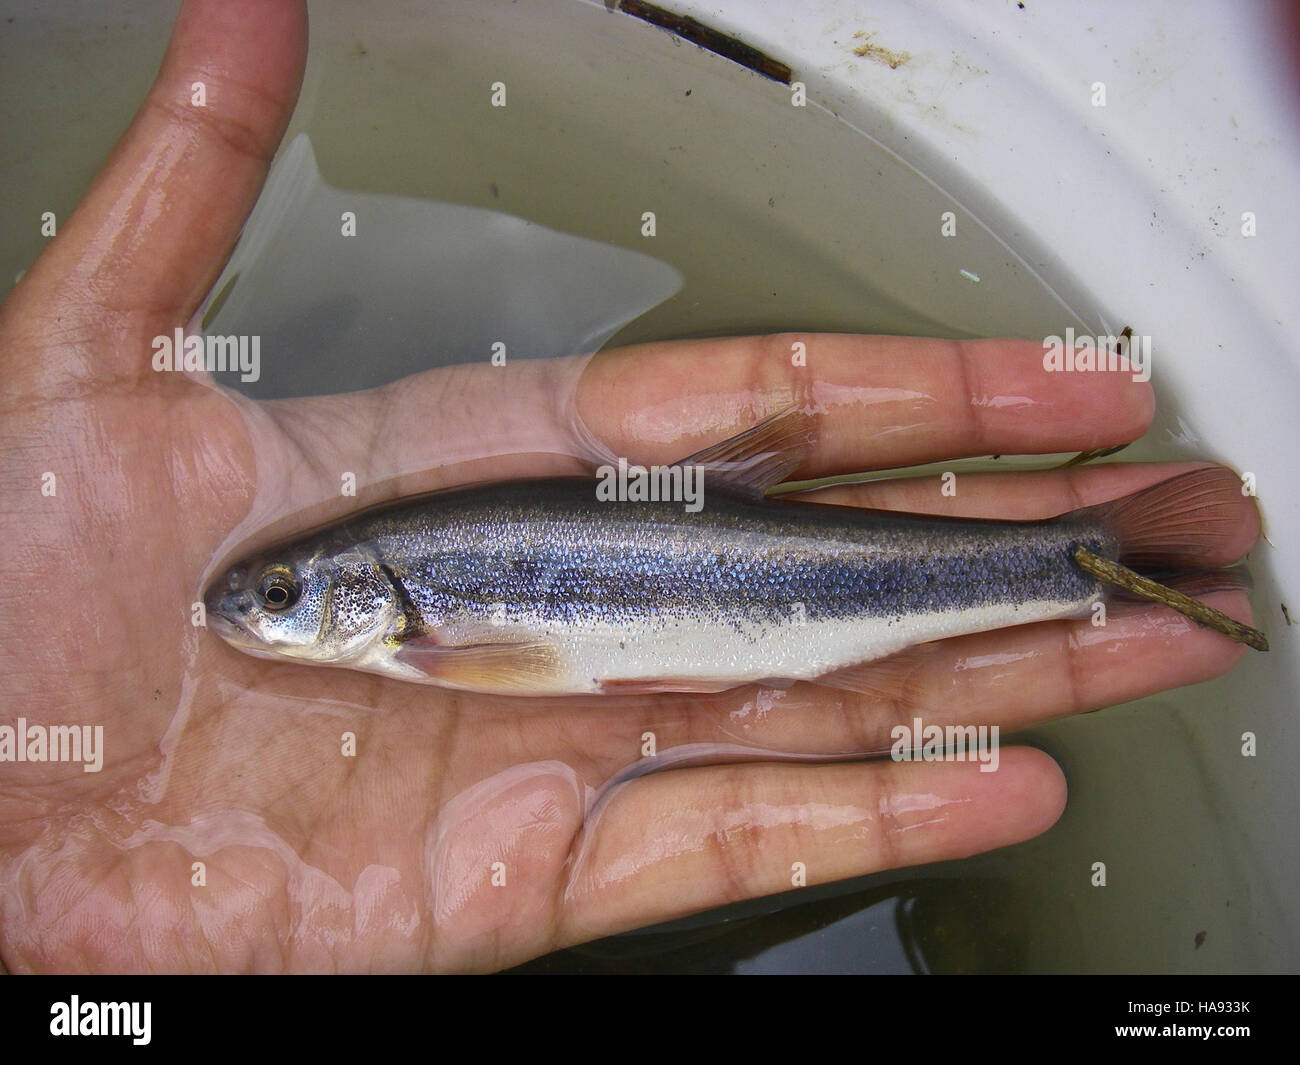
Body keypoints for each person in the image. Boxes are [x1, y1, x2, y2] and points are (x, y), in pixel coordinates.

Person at [0, 0, 1259, 973]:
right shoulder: (407, 628)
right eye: (275, 596)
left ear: (363, 593)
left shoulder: (431, 636)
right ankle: (1078, 556)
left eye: (279, 597)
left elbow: (506, 659)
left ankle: (1078, 556)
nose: (252, 614)